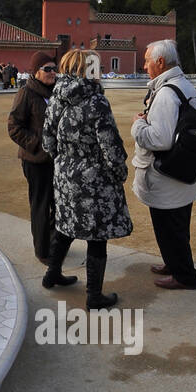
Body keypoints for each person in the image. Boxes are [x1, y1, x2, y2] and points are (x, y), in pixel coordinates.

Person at [42, 47, 131, 309]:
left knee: (66, 226)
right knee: (96, 235)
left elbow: (48, 140)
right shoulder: (96, 101)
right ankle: (94, 296)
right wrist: (119, 172)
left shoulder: (56, 97)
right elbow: (110, 146)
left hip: (65, 177)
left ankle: (51, 274)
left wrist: (66, 162)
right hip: (94, 180)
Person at [131, 39, 196, 291]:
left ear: (160, 62)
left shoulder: (165, 94)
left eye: (147, 60)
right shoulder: (183, 86)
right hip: (183, 172)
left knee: (170, 227)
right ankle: (173, 263)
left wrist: (138, 125)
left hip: (167, 175)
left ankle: (184, 275)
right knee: (177, 226)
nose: (144, 66)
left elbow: (160, 140)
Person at [9, 51, 65, 289]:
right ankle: (42, 250)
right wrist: (37, 144)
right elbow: (14, 127)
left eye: (54, 68)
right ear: (36, 72)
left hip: (56, 160)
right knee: (41, 204)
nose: (53, 73)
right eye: (48, 69)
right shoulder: (27, 93)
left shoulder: (57, 92)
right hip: (35, 161)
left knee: (57, 202)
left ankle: (52, 242)